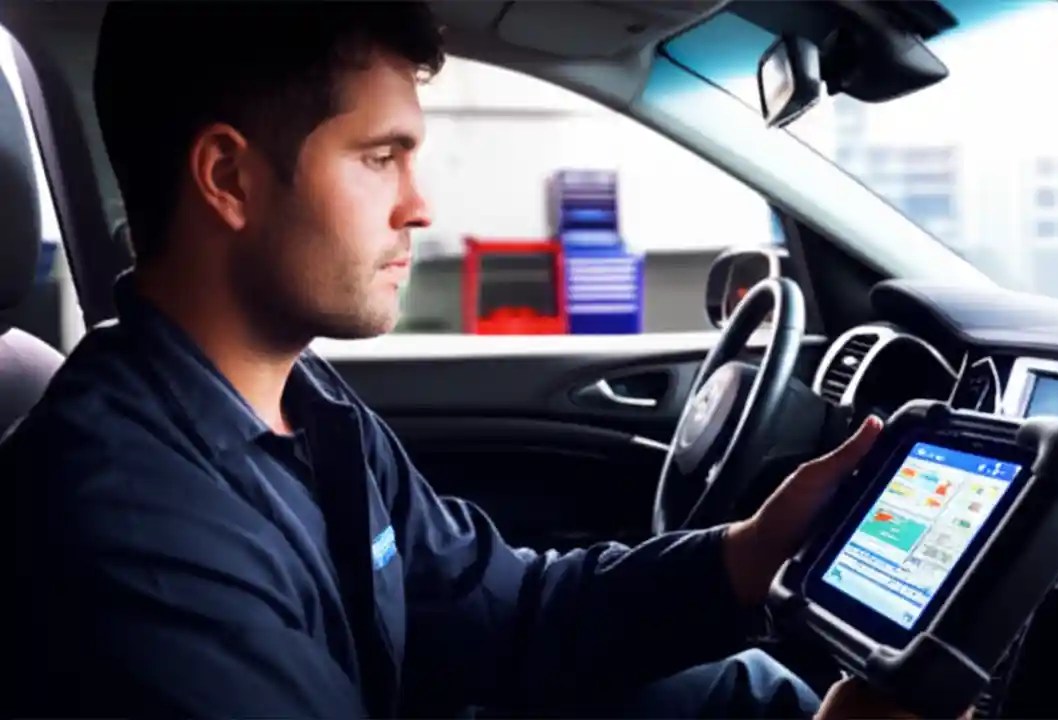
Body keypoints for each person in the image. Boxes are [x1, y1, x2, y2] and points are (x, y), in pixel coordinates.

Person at [3, 2, 937, 717]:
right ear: (228, 178)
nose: (420, 206)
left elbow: (507, 613)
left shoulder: (304, 403)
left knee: (736, 691)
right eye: (380, 158)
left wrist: (750, 551)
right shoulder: (127, 525)